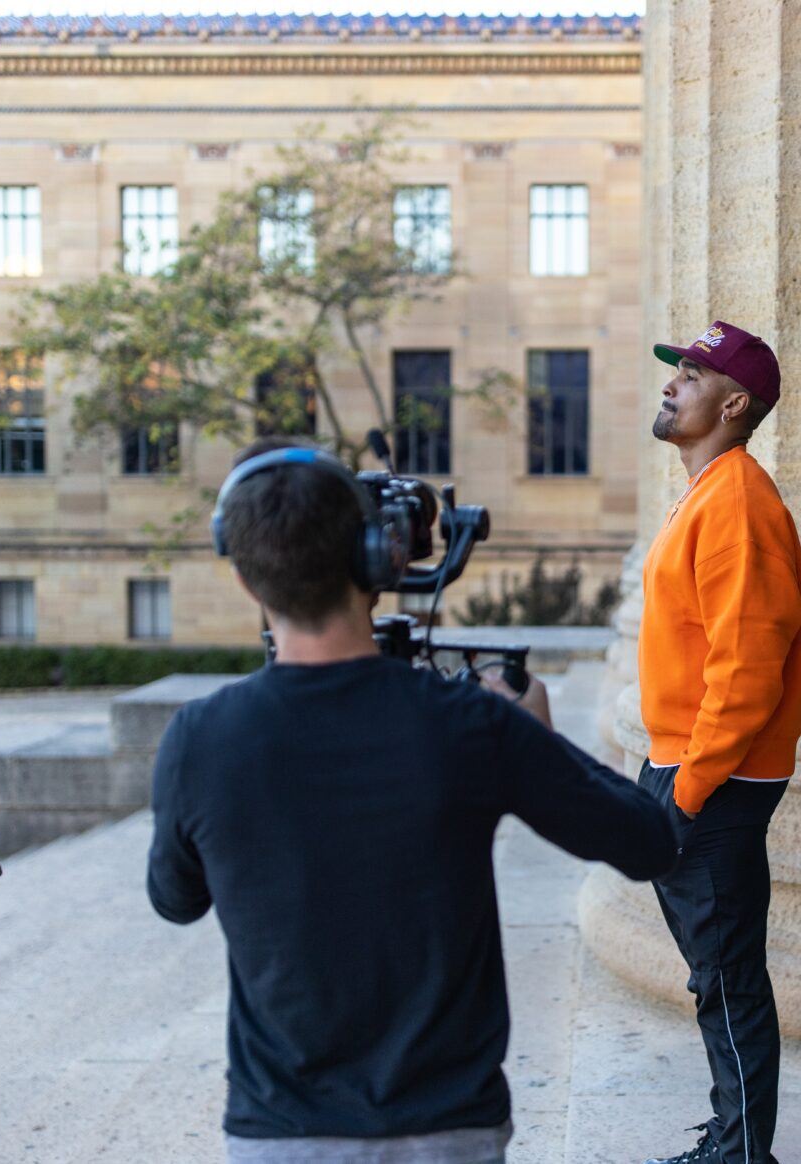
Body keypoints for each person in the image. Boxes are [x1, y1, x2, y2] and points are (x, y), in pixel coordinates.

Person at [147, 438, 677, 1164]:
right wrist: (536, 740)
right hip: (447, 1129)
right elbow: (649, 839)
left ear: (244, 578)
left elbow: (175, 900)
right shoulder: (472, 725)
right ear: (378, 558)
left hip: (280, 1134)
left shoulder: (197, 739)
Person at [637, 321, 801, 1164]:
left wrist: (689, 789)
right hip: (690, 764)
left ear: (734, 404)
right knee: (716, 977)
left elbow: (747, 669)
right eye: (679, 370)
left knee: (730, 981)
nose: (675, 382)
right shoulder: (709, 491)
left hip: (716, 779)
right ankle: (733, 1140)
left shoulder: (737, 497)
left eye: (696, 375)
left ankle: (743, 1156)